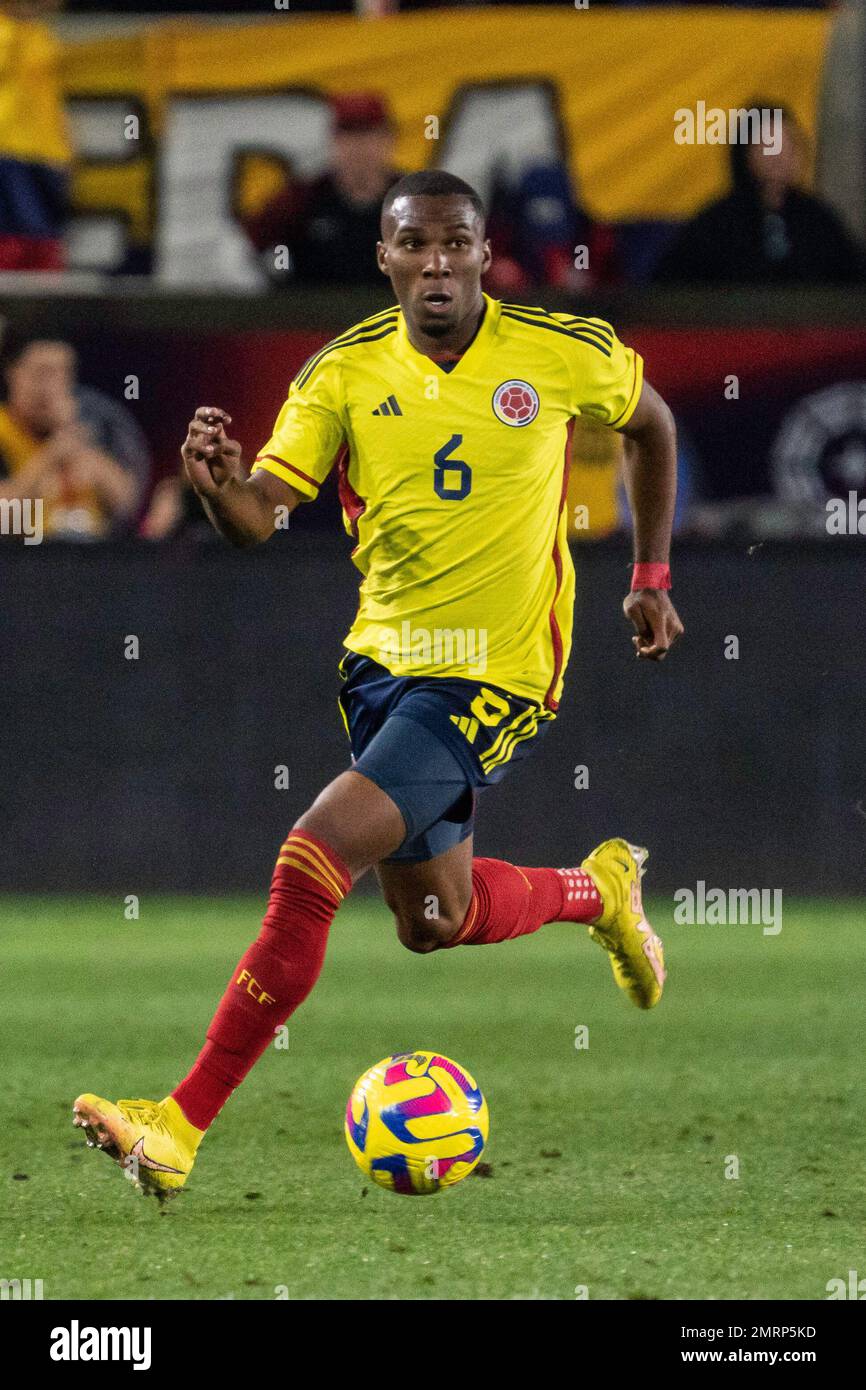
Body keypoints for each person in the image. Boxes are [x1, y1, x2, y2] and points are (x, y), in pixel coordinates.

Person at [74, 170, 683, 1197]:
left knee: (313, 852)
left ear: (482, 252)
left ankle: (176, 1124)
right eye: (415, 243)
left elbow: (652, 425)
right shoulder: (341, 374)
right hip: (380, 667)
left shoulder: (558, 351)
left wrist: (650, 576)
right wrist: (220, 490)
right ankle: (598, 891)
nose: (436, 262)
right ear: (386, 257)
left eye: (455, 242)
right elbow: (263, 514)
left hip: (496, 674)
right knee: (430, 921)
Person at [655, 102, 864, 285]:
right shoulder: (717, 224)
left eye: (787, 146)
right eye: (768, 145)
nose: (779, 157)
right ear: (745, 151)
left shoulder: (818, 220)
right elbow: (669, 286)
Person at [244, 92, 403, 285]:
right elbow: (246, 247)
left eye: (368, 135)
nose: (358, 147)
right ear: (333, 142)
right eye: (348, 136)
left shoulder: (415, 202)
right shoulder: (301, 200)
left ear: (389, 139)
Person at [0, 337, 148, 538]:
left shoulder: (99, 425)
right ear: (12, 373)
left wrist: (72, 435)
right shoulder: (3, 429)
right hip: (21, 558)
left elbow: (127, 506)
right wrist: (52, 455)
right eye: (41, 373)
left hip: (89, 554)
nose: (49, 387)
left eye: (61, 374)